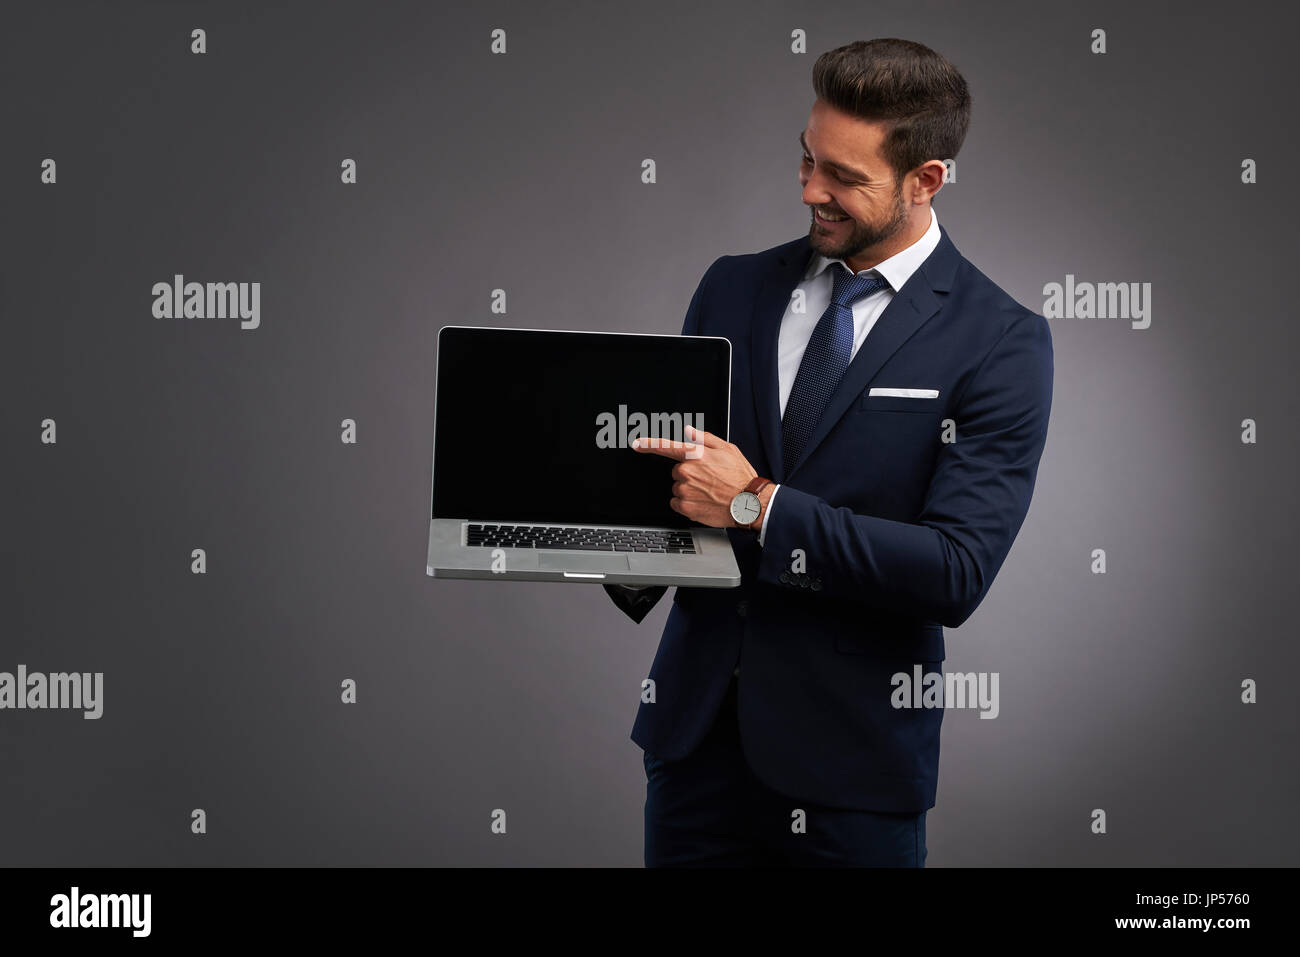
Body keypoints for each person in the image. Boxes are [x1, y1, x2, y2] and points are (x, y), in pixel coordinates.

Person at [605, 37, 1053, 866]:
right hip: (694, 743)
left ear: (926, 180)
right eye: (807, 160)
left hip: (855, 770)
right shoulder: (732, 286)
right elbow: (686, 483)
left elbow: (954, 569)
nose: (812, 190)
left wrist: (759, 503)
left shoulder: (1000, 340)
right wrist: (583, 533)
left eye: (845, 177)